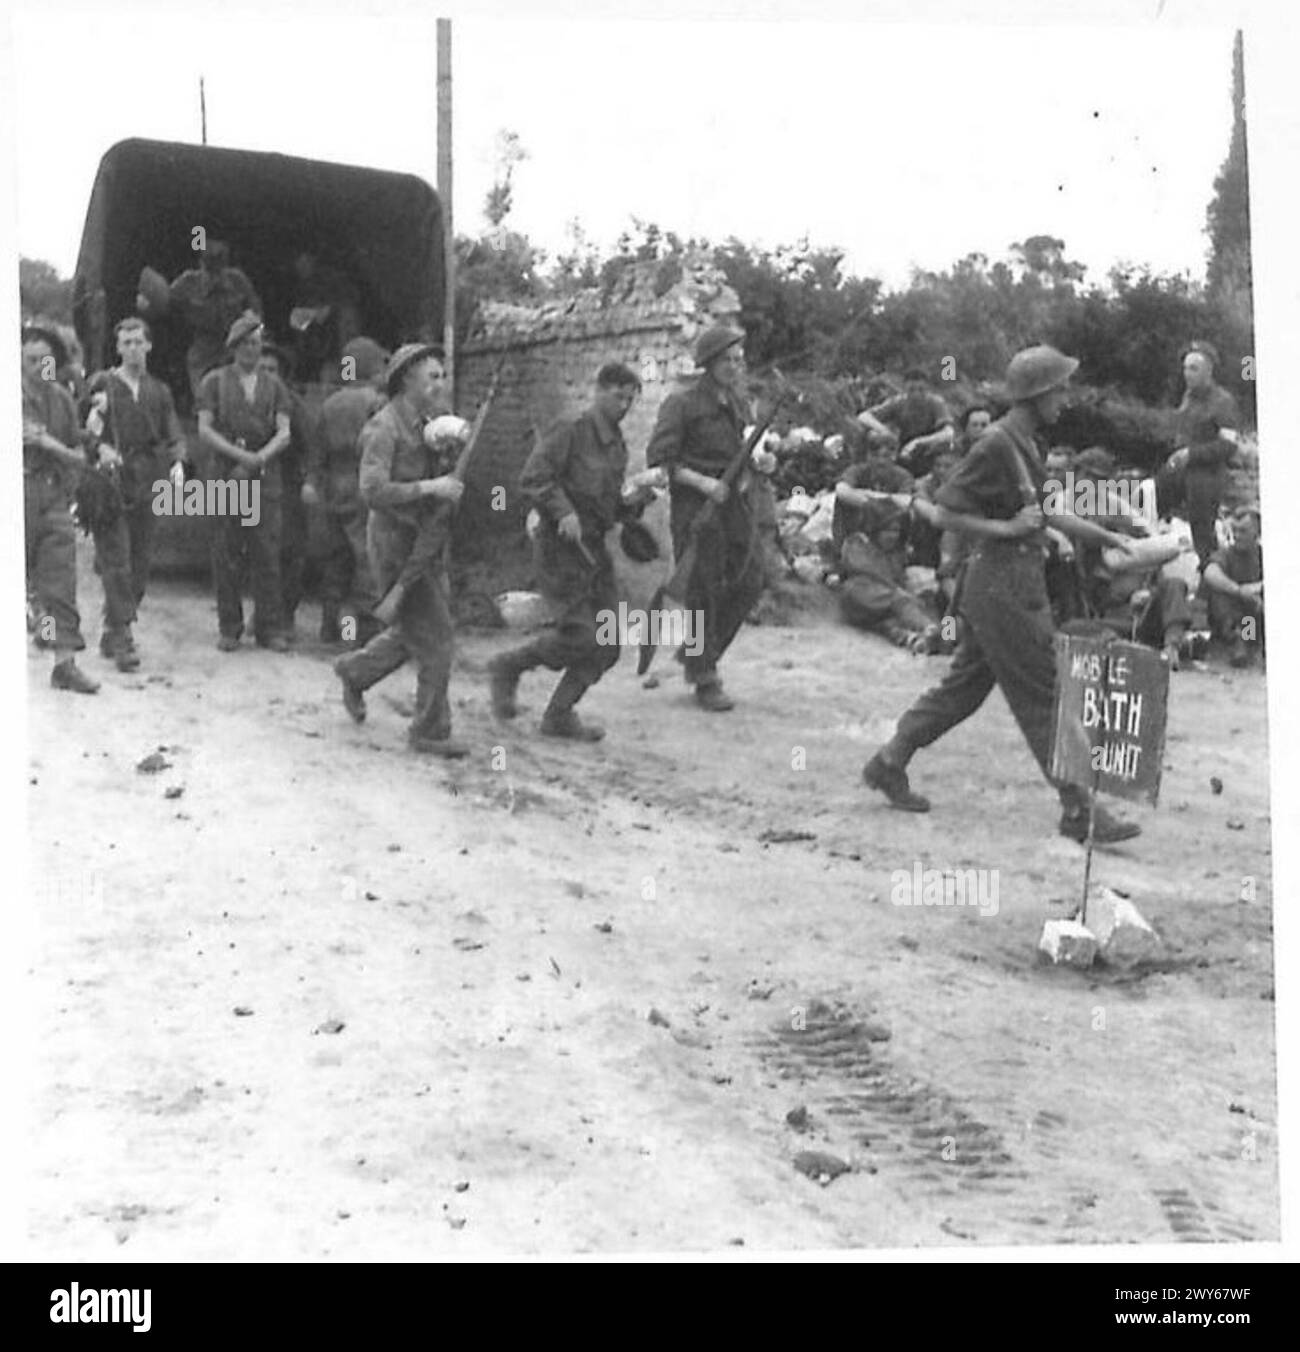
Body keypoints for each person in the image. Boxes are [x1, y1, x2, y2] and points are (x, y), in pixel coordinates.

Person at [861, 345, 1143, 845]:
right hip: (1002, 587)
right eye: (1059, 390)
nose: (1065, 399)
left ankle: (890, 760)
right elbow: (943, 511)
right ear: (1036, 394)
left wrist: (1111, 537)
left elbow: (1048, 510)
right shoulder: (995, 444)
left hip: (1007, 586)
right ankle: (1079, 807)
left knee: (963, 689)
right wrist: (1006, 527)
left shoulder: (1025, 444)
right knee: (1045, 693)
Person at [487, 363, 644, 740]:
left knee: (608, 645)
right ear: (599, 391)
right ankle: (508, 665)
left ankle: (558, 715)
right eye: (617, 396)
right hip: (560, 550)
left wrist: (634, 501)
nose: (623, 405)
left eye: (630, 399)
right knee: (583, 635)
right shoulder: (571, 430)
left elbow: (608, 507)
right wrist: (563, 512)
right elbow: (534, 478)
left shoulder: (618, 446)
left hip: (594, 553)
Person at [331, 344, 469, 757]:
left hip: (423, 542)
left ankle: (355, 671)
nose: (440, 384)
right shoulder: (384, 429)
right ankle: (429, 730)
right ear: (406, 379)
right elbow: (371, 491)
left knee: (416, 631)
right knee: (438, 638)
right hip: (394, 545)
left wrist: (449, 458)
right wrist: (432, 487)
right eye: (432, 377)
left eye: (442, 376)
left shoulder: (428, 426)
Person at [644, 324, 764, 712]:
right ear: (709, 363)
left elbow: (743, 453)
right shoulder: (681, 404)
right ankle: (704, 675)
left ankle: (698, 654)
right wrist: (704, 483)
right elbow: (661, 460)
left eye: (738, 359)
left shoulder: (739, 404)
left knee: (749, 581)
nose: (735, 366)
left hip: (735, 507)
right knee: (702, 591)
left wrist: (761, 464)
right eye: (727, 359)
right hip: (697, 510)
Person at [80, 317, 187, 670]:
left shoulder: (159, 390)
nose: (132, 349)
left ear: (149, 346)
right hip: (110, 481)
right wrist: (99, 448)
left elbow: (173, 431)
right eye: (126, 343)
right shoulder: (103, 384)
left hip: (148, 478)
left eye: (138, 342)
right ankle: (124, 636)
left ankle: (113, 627)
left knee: (140, 564)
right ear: (118, 348)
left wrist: (178, 462)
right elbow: (82, 429)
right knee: (117, 561)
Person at [196, 311, 294, 652]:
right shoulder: (214, 382)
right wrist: (239, 458)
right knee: (225, 552)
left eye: (257, 343)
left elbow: (284, 432)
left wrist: (259, 458)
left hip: (265, 478)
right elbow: (205, 429)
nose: (253, 350)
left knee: (266, 553)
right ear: (234, 347)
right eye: (247, 343)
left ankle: (270, 628)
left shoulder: (274, 386)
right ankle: (230, 627)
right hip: (225, 476)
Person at [22, 326, 98, 692]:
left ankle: (63, 664)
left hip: (50, 495)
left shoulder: (62, 401)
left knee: (60, 581)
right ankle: (40, 629)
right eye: (31, 360)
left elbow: (77, 454)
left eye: (45, 360)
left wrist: (49, 446)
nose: (39, 366)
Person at [305, 337, 390, 645]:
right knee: (366, 557)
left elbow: (317, 452)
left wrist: (314, 483)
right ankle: (365, 632)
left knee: (336, 558)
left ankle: (329, 626)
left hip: (335, 486)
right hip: (364, 483)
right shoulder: (377, 403)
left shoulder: (330, 403)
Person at [144, 240, 262, 401]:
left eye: (218, 271)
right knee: (203, 396)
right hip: (203, 346)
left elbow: (255, 308)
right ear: (201, 265)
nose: (214, 278)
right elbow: (164, 304)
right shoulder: (187, 282)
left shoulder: (237, 281)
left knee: (238, 395)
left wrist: (251, 321)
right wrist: (148, 304)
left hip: (233, 344)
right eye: (210, 271)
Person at [257, 337, 314, 636]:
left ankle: (285, 617)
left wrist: (310, 481)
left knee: (290, 552)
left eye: (272, 368)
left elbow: (311, 445)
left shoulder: (292, 403)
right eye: (260, 367)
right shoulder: (246, 399)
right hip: (254, 485)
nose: (266, 373)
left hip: (288, 486)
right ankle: (263, 615)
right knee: (258, 552)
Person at [1166, 341, 1240, 566]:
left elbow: (1229, 446)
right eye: (1186, 368)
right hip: (1183, 471)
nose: (1187, 374)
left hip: (1207, 476)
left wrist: (1192, 454)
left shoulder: (1223, 402)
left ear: (1209, 371)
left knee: (1203, 534)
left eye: (1194, 369)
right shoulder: (1188, 396)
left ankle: (1212, 580)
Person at [838, 497, 942, 653]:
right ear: (874, 527)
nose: (893, 535)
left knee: (890, 621)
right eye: (887, 530)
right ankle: (931, 629)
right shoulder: (857, 542)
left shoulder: (897, 552)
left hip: (882, 608)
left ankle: (915, 640)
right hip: (860, 598)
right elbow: (867, 571)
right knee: (898, 600)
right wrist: (899, 592)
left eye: (896, 531)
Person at [857, 368, 955, 477]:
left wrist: (919, 442)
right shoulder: (898, 402)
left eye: (921, 390)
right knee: (872, 434)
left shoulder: (936, 403)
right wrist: (884, 431)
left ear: (928, 389)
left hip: (930, 448)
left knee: (946, 445)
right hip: (903, 448)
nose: (916, 394)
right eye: (911, 390)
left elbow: (948, 433)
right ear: (904, 389)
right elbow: (863, 416)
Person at [1201, 503, 1263, 668]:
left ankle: (1252, 646)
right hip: (1234, 618)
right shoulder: (1227, 554)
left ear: (1257, 532)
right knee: (1219, 593)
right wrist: (1238, 590)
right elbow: (1210, 572)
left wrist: (1258, 588)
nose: (1237, 536)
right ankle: (1241, 644)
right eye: (1234, 530)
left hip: (1258, 615)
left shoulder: (1263, 555)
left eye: (1243, 531)